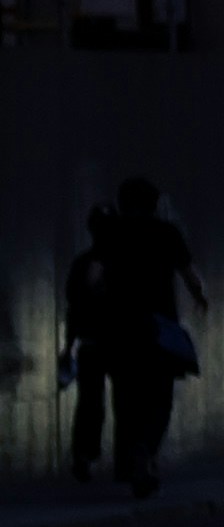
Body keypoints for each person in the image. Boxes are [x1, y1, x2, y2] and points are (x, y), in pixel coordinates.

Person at [88, 177, 208, 496]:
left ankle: (130, 460)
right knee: (160, 398)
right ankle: (145, 450)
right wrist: (200, 297)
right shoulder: (167, 232)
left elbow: (94, 275)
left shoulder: (111, 231)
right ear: (154, 204)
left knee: (126, 398)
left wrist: (100, 296)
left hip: (120, 328)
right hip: (158, 329)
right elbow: (190, 275)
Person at [61, 206, 110, 484]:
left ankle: (85, 456)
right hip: (118, 343)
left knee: (91, 404)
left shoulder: (82, 263)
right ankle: (128, 459)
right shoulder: (125, 263)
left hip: (92, 343)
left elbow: (74, 309)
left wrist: (69, 345)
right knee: (114, 404)